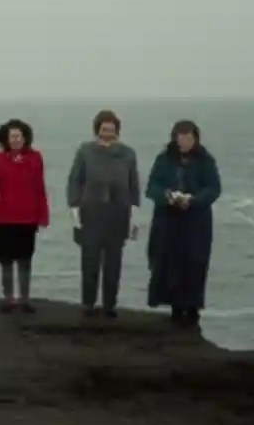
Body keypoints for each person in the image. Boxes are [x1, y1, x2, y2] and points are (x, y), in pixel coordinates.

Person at [145, 120, 222, 328]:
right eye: (181, 138)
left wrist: (193, 200)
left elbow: (214, 188)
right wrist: (167, 196)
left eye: (189, 138)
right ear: (175, 138)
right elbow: (152, 186)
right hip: (168, 221)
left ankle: (193, 309)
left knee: (195, 264)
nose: (185, 142)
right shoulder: (164, 160)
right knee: (170, 264)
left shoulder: (205, 160)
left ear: (195, 138)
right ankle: (175, 309)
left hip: (196, 223)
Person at [67, 110, 141, 318]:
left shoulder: (128, 154)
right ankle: (88, 304)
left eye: (111, 129)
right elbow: (74, 180)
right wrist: (74, 209)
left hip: (118, 214)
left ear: (117, 131)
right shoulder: (85, 151)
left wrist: (134, 216)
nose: (107, 133)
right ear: (97, 130)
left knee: (113, 263)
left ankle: (110, 305)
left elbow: (133, 185)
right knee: (89, 261)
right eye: (103, 129)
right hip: (91, 212)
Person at [0, 118, 49, 313]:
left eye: (19, 136)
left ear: (25, 137)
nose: (16, 139)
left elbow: (39, 188)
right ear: (5, 138)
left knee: (25, 260)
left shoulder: (35, 158)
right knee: (5, 260)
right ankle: (9, 298)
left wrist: (43, 215)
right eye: (12, 136)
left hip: (27, 218)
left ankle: (25, 299)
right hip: (3, 218)